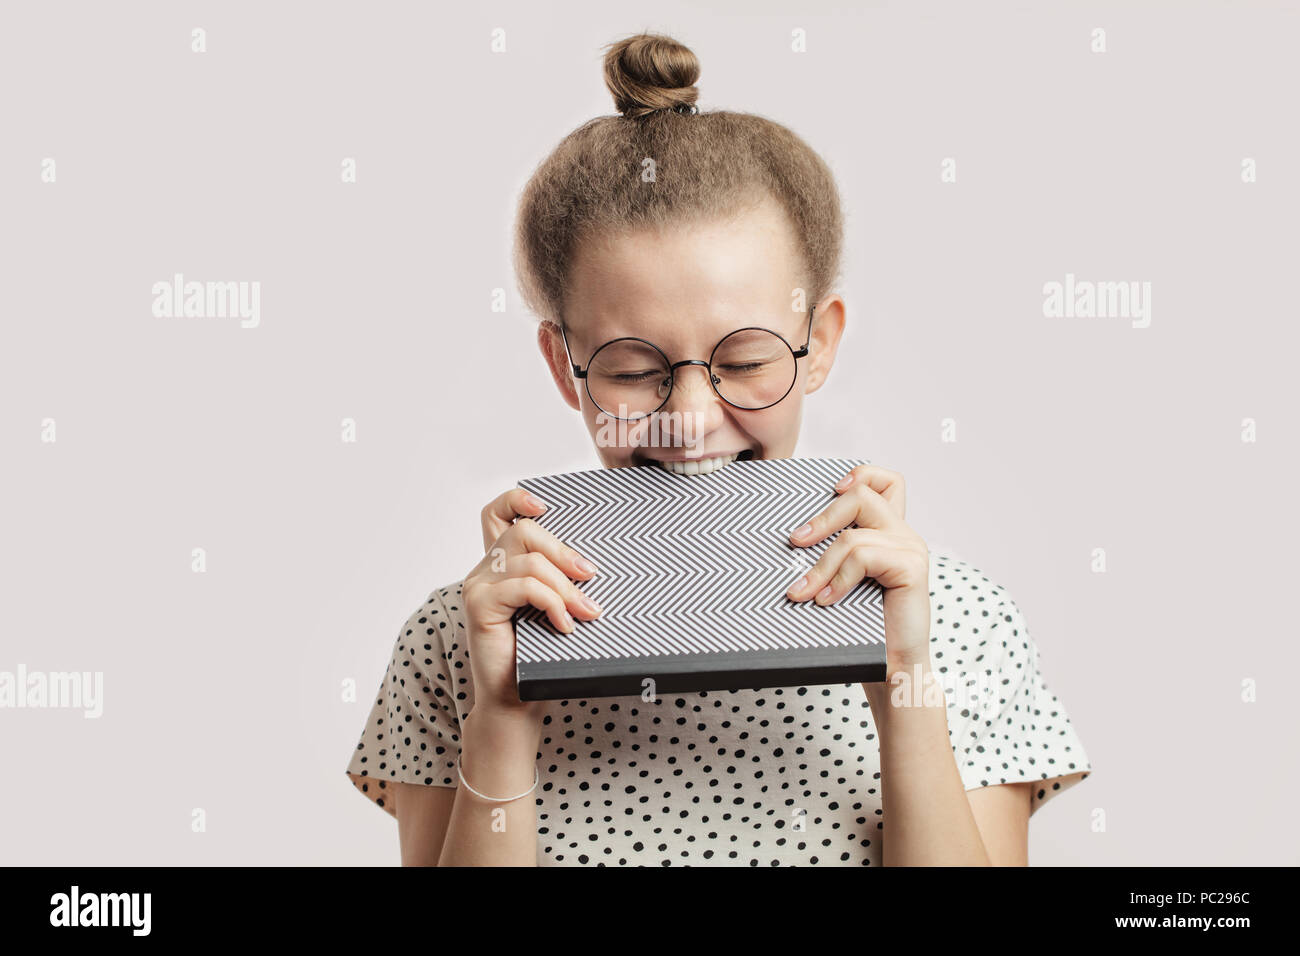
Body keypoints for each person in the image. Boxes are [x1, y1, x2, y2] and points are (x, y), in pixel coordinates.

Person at [345, 31, 1091, 866]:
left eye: (744, 361)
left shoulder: (962, 625)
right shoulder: (456, 639)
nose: (692, 419)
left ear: (820, 342)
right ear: (565, 367)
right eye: (633, 369)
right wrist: (500, 717)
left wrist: (905, 682)